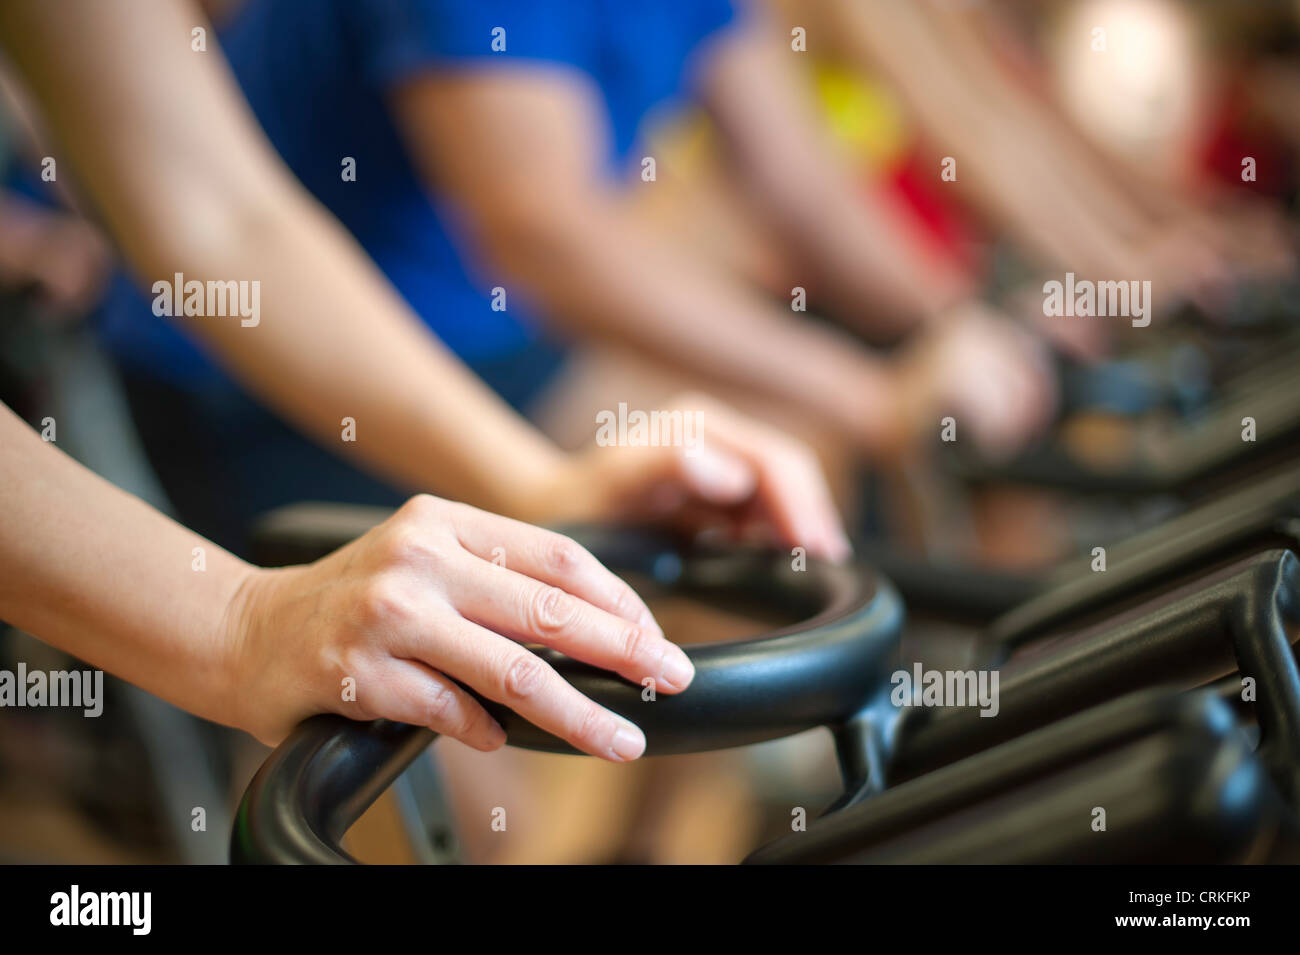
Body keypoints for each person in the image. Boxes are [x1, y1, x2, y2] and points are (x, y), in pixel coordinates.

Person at [0, 0, 852, 761]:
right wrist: (239, 621)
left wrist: (540, 483)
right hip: (220, 400)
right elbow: (546, 231)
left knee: (719, 553)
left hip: (449, 347)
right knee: (442, 777)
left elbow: (219, 216)